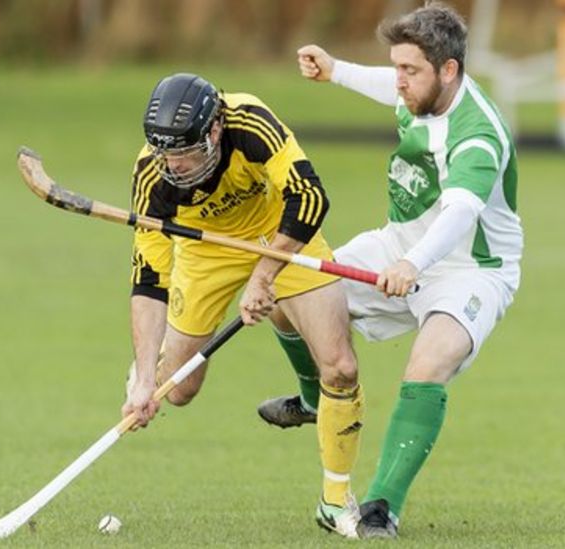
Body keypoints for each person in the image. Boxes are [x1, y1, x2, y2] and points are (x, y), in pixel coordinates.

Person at [258, 2, 523, 539]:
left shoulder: (477, 135)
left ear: (448, 70)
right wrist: (336, 71)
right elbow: (391, 87)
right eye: (397, 67)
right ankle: (312, 398)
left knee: (427, 366)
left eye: (410, 70)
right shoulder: (419, 89)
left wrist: (413, 264)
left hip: (470, 269)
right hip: (396, 244)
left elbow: (460, 212)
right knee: (290, 287)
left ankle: (381, 507)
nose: (399, 81)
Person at [120, 73, 365, 537]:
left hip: (279, 234)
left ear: (214, 130)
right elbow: (149, 280)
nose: (174, 166)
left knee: (340, 367)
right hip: (205, 253)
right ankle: (150, 367)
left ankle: (335, 502)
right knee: (179, 391)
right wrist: (146, 378)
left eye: (186, 152)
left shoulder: (251, 123)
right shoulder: (154, 176)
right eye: (165, 153)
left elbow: (311, 197)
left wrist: (264, 275)